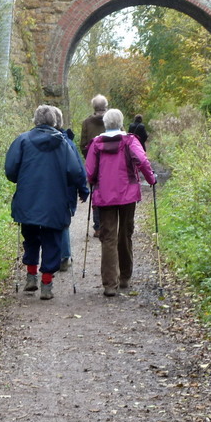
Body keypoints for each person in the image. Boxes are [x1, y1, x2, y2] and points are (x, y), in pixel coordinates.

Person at [5, 105, 85, 300]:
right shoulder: (63, 144)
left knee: (30, 238)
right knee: (52, 241)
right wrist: (81, 189)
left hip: (28, 199)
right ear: (54, 122)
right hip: (55, 201)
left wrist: (22, 178)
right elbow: (75, 172)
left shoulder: (22, 140)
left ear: (36, 120)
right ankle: (47, 285)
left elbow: (10, 170)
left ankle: (31, 276)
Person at [85, 108, 156, 297]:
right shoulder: (130, 141)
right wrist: (151, 179)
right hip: (127, 195)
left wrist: (93, 183)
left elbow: (90, 171)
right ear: (121, 123)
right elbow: (142, 160)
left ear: (106, 124)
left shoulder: (96, 144)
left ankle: (110, 284)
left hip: (105, 196)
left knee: (108, 237)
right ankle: (124, 276)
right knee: (125, 233)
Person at [52, 107, 89, 271]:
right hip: (65, 190)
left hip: (44, 190)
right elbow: (78, 170)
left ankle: (53, 258)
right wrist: (83, 190)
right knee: (63, 223)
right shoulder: (67, 143)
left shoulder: (33, 140)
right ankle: (65, 256)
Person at [79, 94, 108, 237]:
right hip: (112, 164)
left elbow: (83, 145)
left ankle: (98, 227)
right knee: (111, 192)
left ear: (94, 107)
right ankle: (109, 224)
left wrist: (89, 158)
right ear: (106, 106)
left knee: (96, 194)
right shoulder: (113, 119)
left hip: (95, 165)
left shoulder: (86, 122)